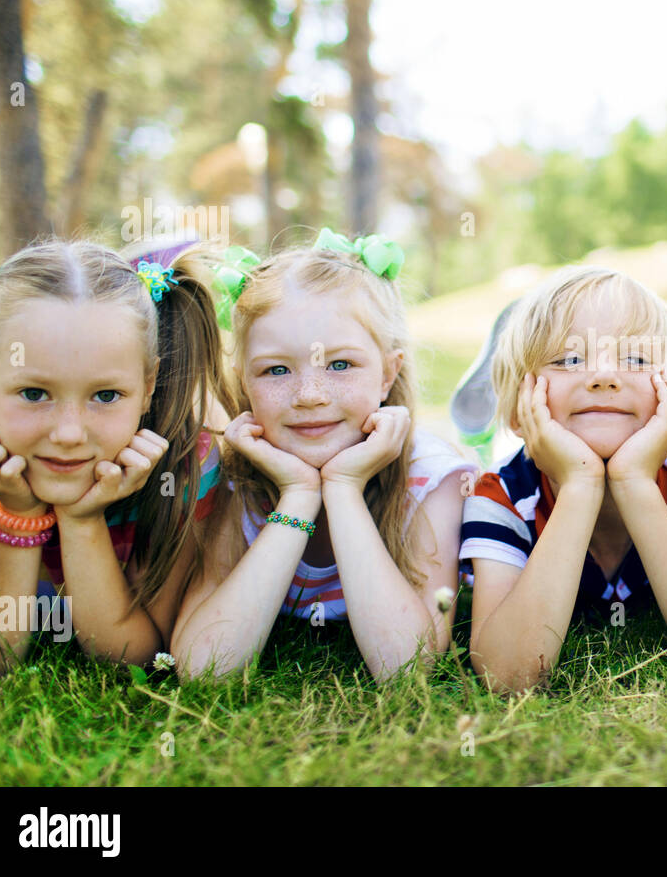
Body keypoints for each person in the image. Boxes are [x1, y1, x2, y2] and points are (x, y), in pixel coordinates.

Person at [172, 231, 473, 681]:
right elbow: (204, 669)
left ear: (388, 372)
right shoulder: (232, 476)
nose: (309, 395)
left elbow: (407, 669)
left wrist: (344, 489)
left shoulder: (431, 477)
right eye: (276, 370)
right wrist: (297, 494)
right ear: (243, 382)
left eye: (339, 365)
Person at [459, 267, 667, 693]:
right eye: (568, 360)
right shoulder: (501, 496)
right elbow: (506, 676)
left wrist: (634, 482)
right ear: (518, 413)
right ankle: (479, 423)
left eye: (634, 359)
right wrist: (580, 487)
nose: (603, 378)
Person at [0, 241, 226, 684]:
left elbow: (132, 658)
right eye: (34, 394)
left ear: (147, 389)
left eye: (106, 396)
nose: (69, 434)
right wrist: (17, 515)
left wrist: (81, 519)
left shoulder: (183, 467)